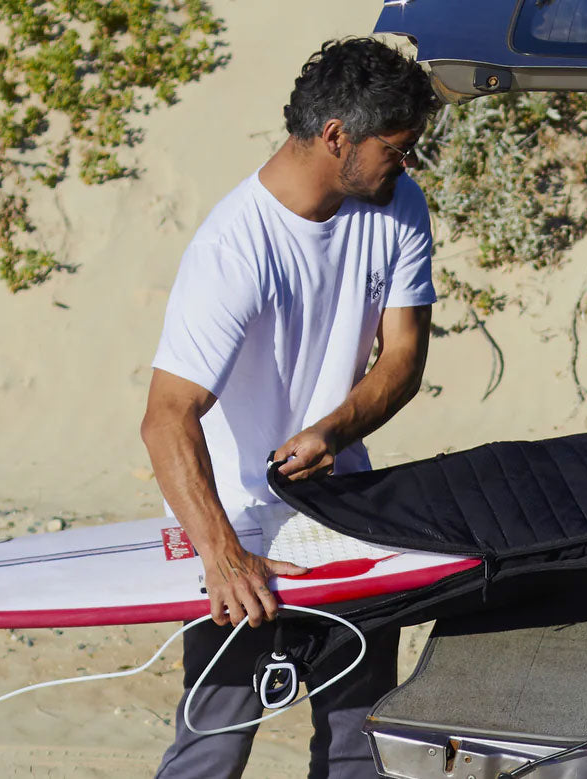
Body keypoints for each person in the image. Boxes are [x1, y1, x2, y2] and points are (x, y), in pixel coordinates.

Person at [139, 37, 438, 779]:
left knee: (358, 750)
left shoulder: (398, 205)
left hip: (345, 517)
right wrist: (221, 554)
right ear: (336, 136)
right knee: (213, 749)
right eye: (396, 149)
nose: (408, 164)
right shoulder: (235, 247)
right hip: (235, 526)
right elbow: (167, 415)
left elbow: (403, 357)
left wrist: (335, 430)